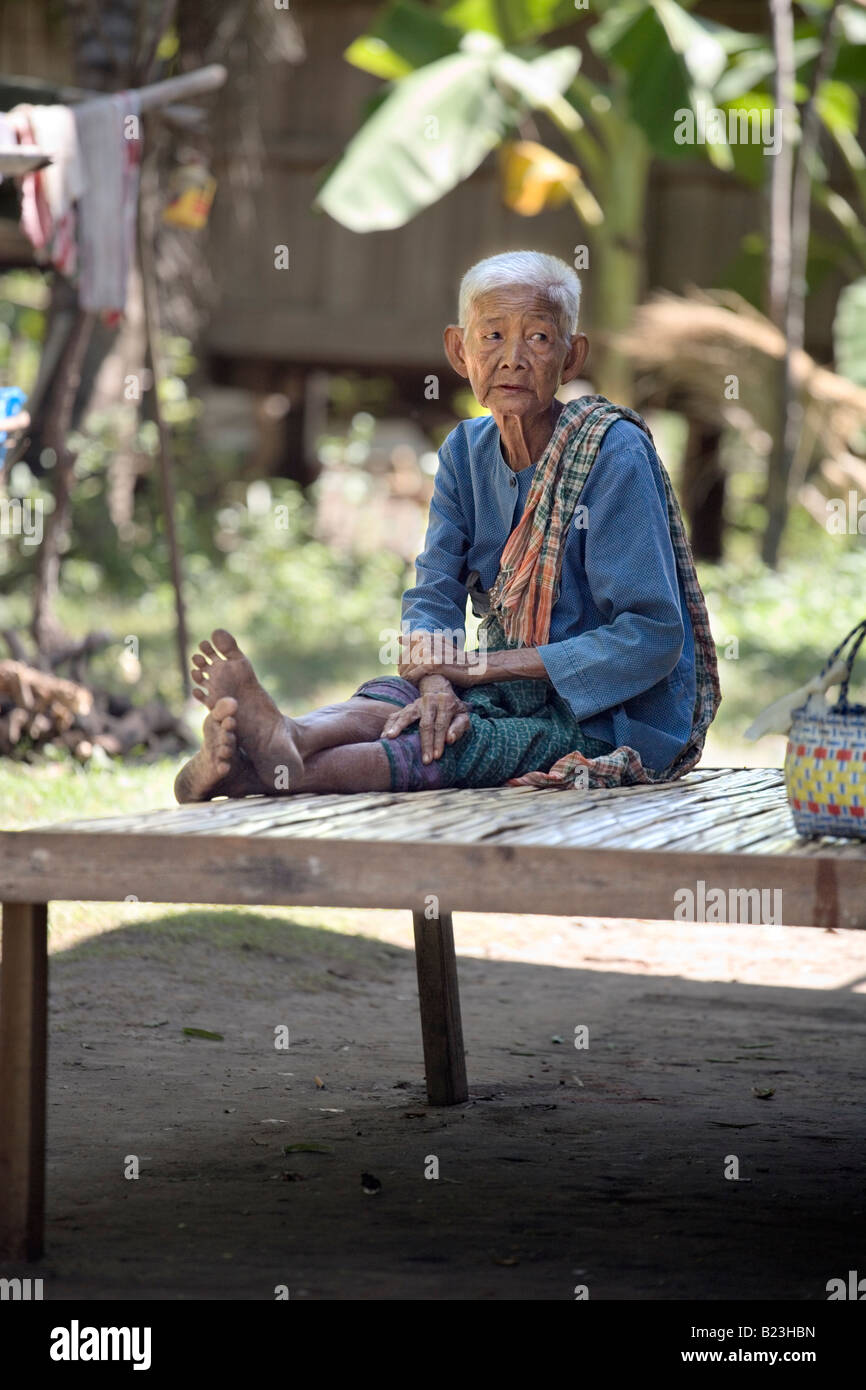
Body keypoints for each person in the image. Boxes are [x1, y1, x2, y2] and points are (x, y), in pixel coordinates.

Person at [175, 250, 718, 805]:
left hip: (612, 719)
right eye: (492, 336)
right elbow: (434, 591)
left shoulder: (611, 452)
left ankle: (267, 769)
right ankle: (291, 737)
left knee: (456, 744)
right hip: (505, 689)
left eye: (537, 338)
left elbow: (649, 638)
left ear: (571, 357)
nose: (512, 359)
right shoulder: (465, 452)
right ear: (459, 351)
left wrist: (473, 669)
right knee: (398, 698)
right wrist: (437, 682)